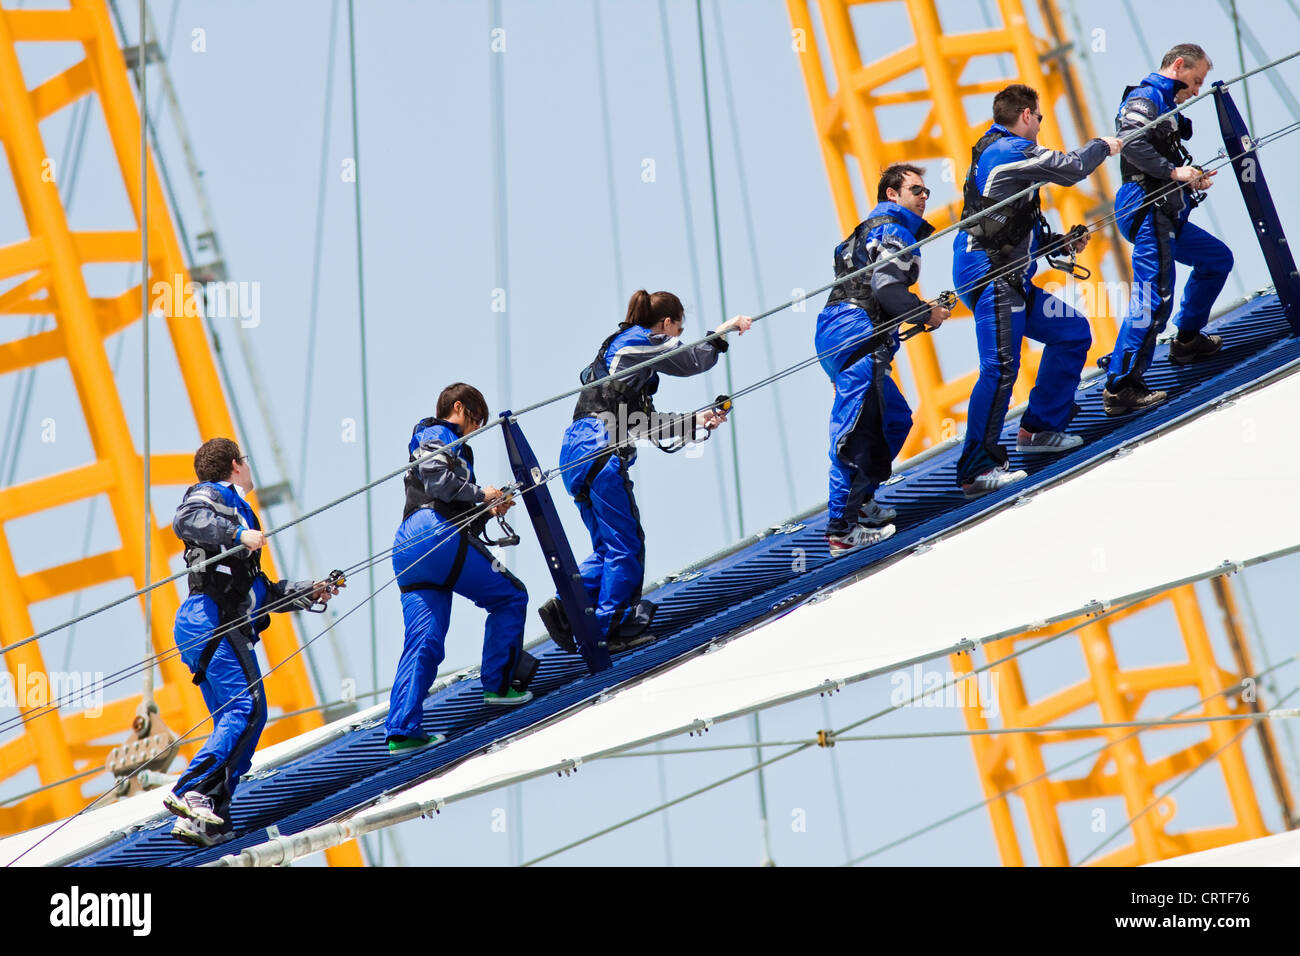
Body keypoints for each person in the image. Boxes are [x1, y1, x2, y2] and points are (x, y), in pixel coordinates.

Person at [537, 291, 750, 654]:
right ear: (666, 324)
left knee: (607, 547)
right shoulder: (638, 341)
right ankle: (612, 627)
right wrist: (723, 333)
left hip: (578, 450)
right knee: (627, 545)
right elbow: (691, 361)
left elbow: (643, 425)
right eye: (678, 328)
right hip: (600, 449)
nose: (677, 335)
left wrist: (697, 421)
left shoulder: (623, 364)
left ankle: (565, 606)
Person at [165, 438, 342, 847]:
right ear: (235, 465)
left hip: (207, 624)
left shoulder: (235, 521)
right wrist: (237, 534)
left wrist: (310, 591)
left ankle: (207, 814)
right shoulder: (217, 495)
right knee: (247, 708)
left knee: (245, 717)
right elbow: (186, 519)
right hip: (212, 622)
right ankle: (191, 789)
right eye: (244, 461)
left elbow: (263, 593)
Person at [953, 84, 1122, 498]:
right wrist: (1104, 144)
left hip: (1011, 277)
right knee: (1000, 367)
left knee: (1073, 333)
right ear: (1027, 115)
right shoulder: (1009, 151)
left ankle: (1040, 427)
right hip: (991, 276)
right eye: (1041, 118)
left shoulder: (1006, 157)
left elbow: (1011, 226)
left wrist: (1056, 243)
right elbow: (1073, 167)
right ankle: (977, 468)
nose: (1042, 126)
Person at [385, 383, 532, 756]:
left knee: (424, 640)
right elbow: (439, 481)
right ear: (459, 407)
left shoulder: (443, 443)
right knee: (511, 596)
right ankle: (498, 686)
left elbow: (448, 495)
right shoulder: (436, 432)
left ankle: (402, 730)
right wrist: (483, 493)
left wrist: (486, 508)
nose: (476, 428)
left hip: (408, 548)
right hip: (434, 534)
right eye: (475, 420)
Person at [817, 163, 949, 557]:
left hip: (845, 333)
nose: (925, 197)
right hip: (855, 337)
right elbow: (887, 289)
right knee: (857, 431)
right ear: (892, 194)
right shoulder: (894, 230)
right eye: (916, 190)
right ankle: (841, 528)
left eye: (927, 192)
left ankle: (861, 501)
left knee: (894, 419)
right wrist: (927, 313)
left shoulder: (866, 232)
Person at [1101, 43, 1230, 416]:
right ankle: (1121, 385)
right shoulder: (1146, 97)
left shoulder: (1167, 104)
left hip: (1165, 207)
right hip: (1145, 207)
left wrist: (1190, 179)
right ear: (1177, 65)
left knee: (1217, 260)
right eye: (1195, 80)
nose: (1197, 90)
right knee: (1154, 296)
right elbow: (1132, 143)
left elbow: (1159, 156)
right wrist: (1175, 173)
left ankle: (1187, 340)